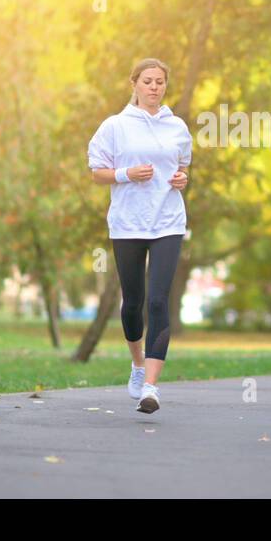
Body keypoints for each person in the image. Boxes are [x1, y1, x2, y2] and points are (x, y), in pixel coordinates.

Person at [87, 58, 192, 414]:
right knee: (134, 302)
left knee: (159, 302)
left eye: (160, 82)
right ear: (134, 84)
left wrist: (181, 179)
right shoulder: (115, 126)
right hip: (128, 222)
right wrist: (127, 173)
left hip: (168, 221)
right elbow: (97, 173)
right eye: (147, 81)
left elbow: (182, 166)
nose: (154, 87)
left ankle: (151, 386)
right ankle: (136, 364)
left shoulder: (176, 126)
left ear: (165, 86)